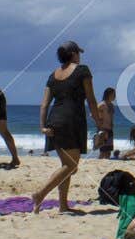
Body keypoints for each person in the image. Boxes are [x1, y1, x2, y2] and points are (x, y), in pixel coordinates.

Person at [32, 41, 100, 213]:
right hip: (71, 120)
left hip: (54, 120)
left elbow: (44, 104)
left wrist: (42, 126)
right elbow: (91, 99)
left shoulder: (52, 75)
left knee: (66, 165)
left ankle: (63, 205)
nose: (80, 56)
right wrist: (98, 121)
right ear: (73, 54)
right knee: (71, 166)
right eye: (79, 53)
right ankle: (40, 194)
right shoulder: (82, 70)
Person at [94, 86, 117, 157]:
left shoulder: (112, 105)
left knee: (109, 151)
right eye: (113, 94)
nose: (114, 96)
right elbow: (93, 114)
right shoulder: (102, 104)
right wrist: (100, 122)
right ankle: (98, 164)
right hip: (103, 129)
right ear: (108, 94)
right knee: (103, 151)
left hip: (110, 129)